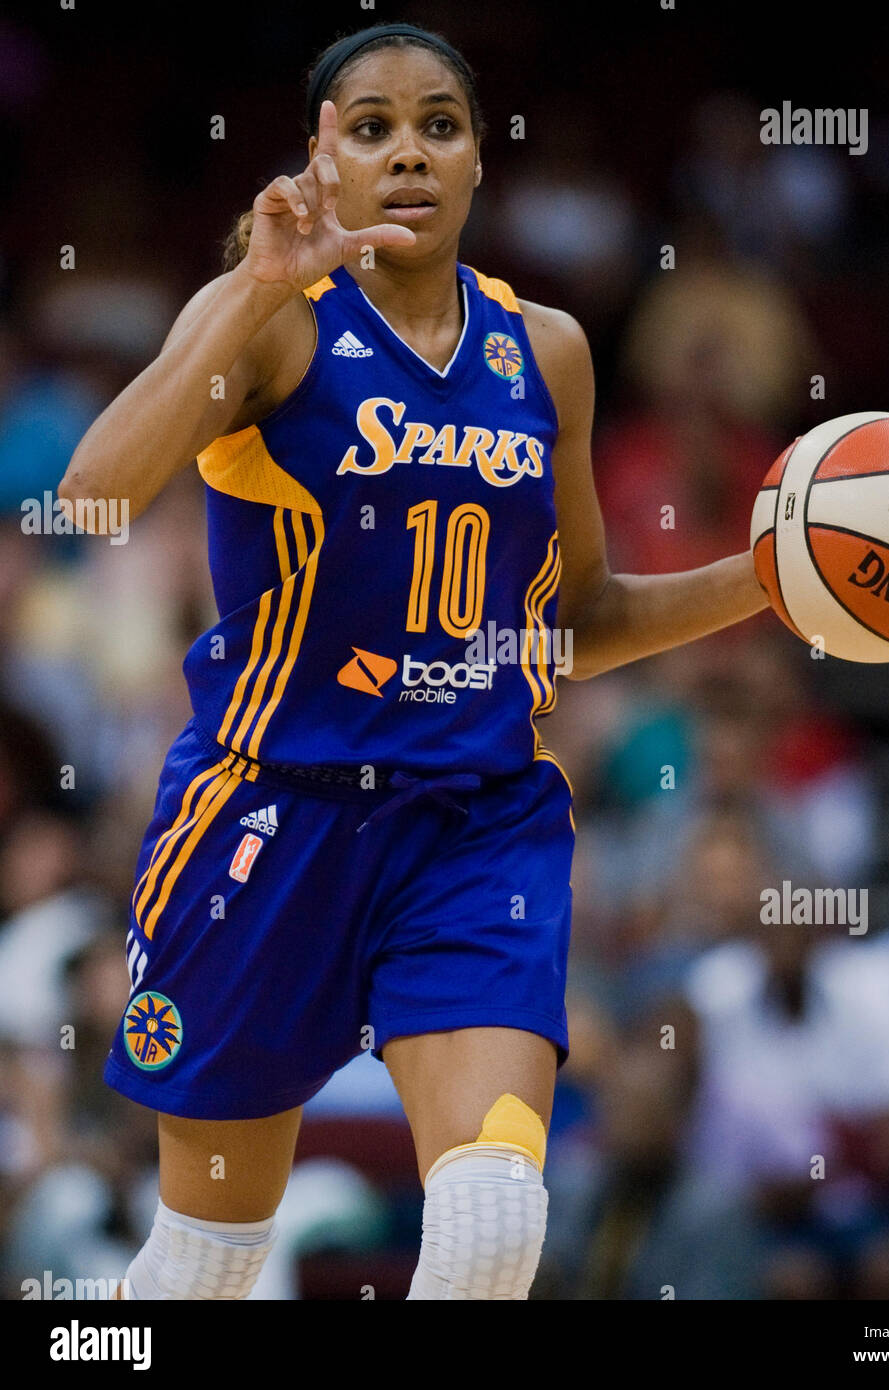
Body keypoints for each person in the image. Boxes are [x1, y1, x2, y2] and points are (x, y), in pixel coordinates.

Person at [58, 22, 768, 1300]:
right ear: (320, 158)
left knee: (494, 1224)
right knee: (204, 1265)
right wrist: (254, 290)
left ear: (480, 162)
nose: (408, 153)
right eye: (370, 127)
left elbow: (573, 621)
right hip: (272, 816)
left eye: (438, 125)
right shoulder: (276, 325)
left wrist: (774, 580)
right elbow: (95, 499)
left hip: (473, 824)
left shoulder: (544, 350)